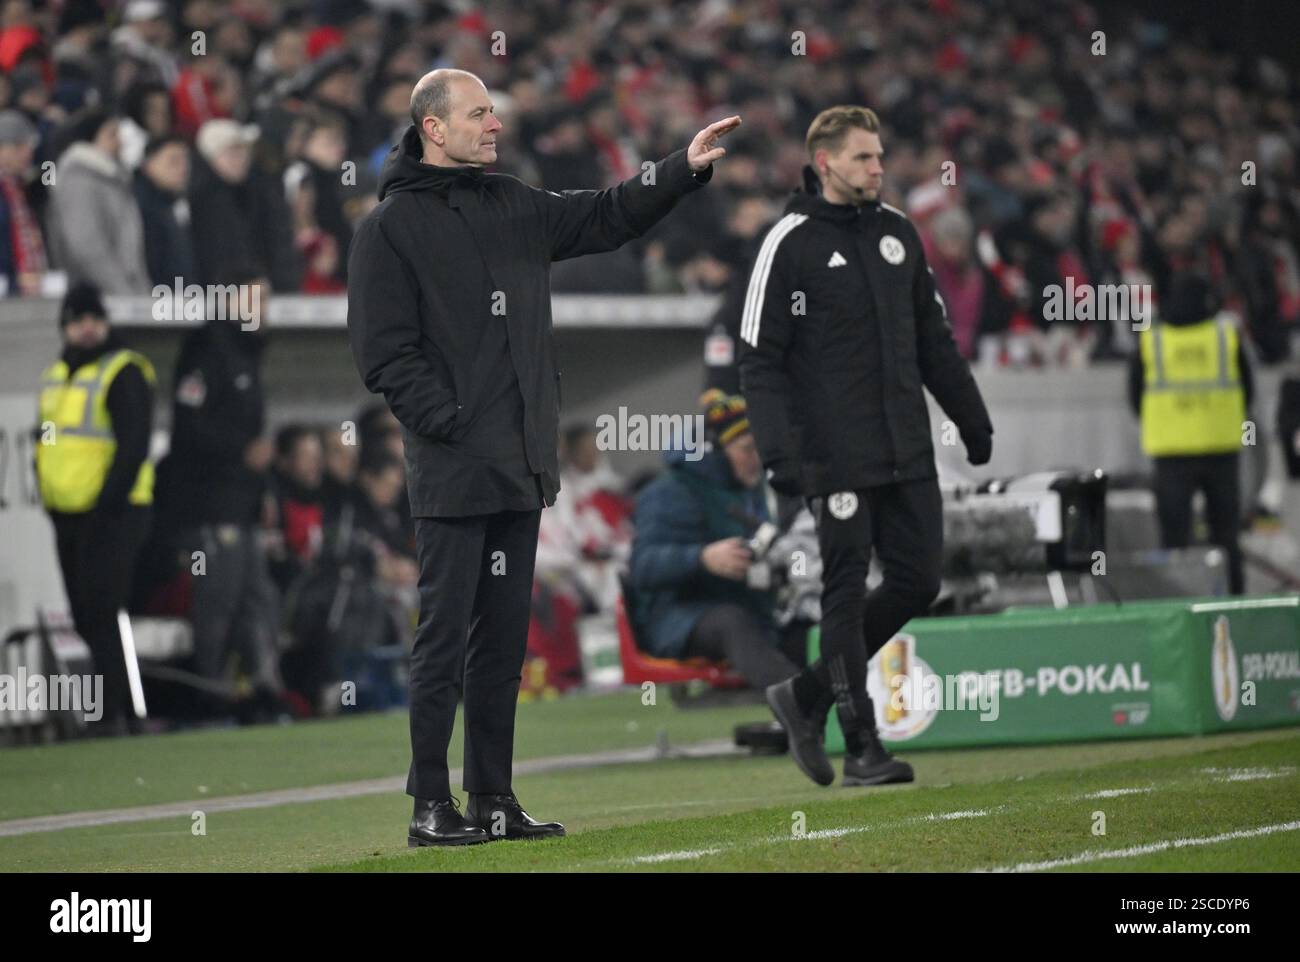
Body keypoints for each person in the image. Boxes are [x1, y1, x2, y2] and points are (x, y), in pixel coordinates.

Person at [346, 67, 738, 846]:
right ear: (434, 126)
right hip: (456, 467)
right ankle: (430, 805)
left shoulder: (511, 203)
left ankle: (492, 797)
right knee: (444, 640)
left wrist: (680, 169)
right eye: (479, 114)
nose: (495, 126)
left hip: (521, 464)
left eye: (494, 113)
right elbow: (384, 355)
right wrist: (450, 422)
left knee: (500, 647)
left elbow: (606, 216)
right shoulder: (387, 228)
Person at [739, 105, 994, 788]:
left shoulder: (897, 235)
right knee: (845, 595)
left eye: (880, 156)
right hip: (835, 454)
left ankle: (804, 696)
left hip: (905, 447)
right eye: (863, 158)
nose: (878, 168)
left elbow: (934, 340)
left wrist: (972, 420)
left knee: (920, 580)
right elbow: (758, 359)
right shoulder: (788, 240)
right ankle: (862, 747)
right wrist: (777, 453)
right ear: (826, 164)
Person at [156, 268, 285, 711]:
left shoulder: (248, 354)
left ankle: (267, 695)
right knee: (217, 605)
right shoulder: (207, 349)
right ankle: (207, 697)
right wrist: (241, 452)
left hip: (242, 505)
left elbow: (253, 436)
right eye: (256, 300)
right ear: (231, 301)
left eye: (266, 301)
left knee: (258, 601)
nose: (264, 311)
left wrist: (263, 491)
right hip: (209, 507)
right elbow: (187, 428)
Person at [36, 282, 155, 733]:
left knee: (103, 610)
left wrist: (105, 507)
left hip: (115, 512)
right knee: (86, 614)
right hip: (67, 514)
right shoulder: (56, 376)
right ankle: (112, 713)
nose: (87, 329)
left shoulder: (123, 371)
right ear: (65, 326)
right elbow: (45, 443)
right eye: (77, 320)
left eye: (93, 319)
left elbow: (132, 448)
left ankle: (114, 716)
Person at [629, 391, 805, 691]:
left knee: (806, 627)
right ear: (715, 450)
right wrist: (702, 558)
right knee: (732, 623)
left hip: (746, 605)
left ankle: (845, 702)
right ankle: (802, 705)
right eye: (747, 449)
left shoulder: (747, 489)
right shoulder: (670, 491)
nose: (757, 459)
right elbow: (643, 567)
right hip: (679, 617)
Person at [1129, 272, 1251, 595]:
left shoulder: (1151, 337)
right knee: (1226, 536)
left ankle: (1175, 603)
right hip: (1221, 448)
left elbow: (1135, 395)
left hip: (1171, 453)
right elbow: (1247, 390)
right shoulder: (1226, 334)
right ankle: (1234, 602)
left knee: (1174, 539)